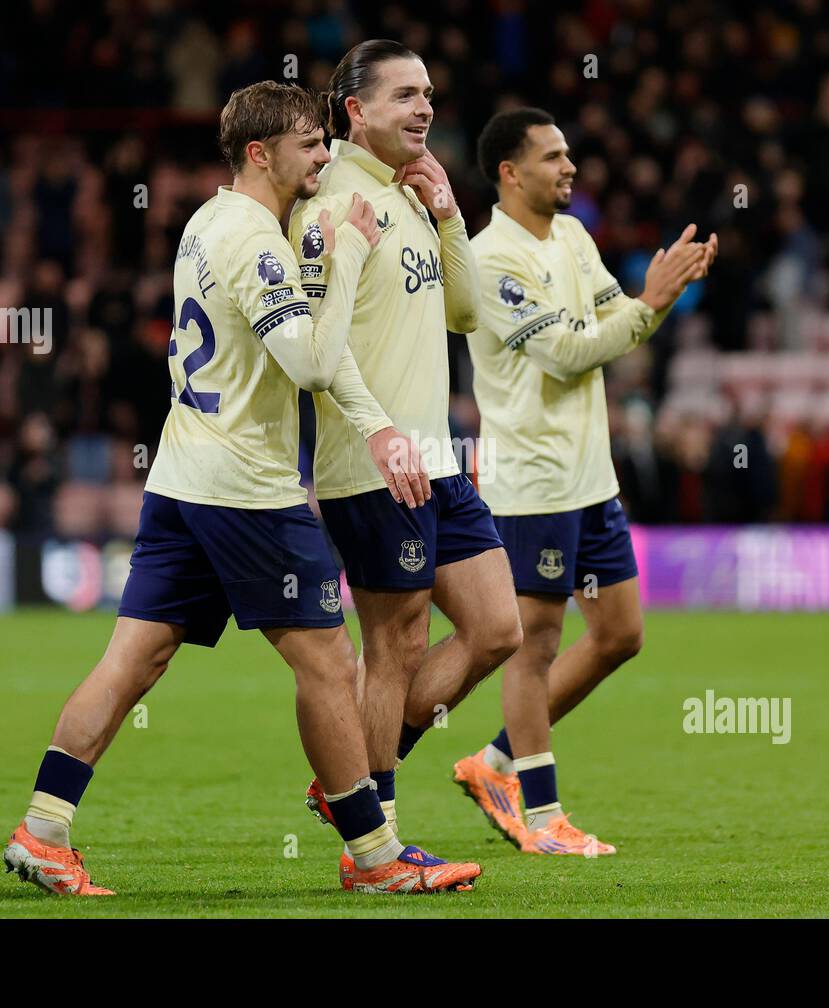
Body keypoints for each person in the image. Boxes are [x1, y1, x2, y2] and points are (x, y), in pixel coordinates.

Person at [3, 81, 480, 897]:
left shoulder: (206, 222)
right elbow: (313, 363)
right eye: (309, 144)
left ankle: (41, 832)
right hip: (244, 488)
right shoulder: (257, 243)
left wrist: (376, 426)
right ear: (261, 153)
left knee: (133, 658)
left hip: (182, 475)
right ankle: (374, 858)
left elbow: (311, 354)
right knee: (331, 665)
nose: (324, 157)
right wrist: (356, 250)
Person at [453, 107, 715, 853]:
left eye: (569, 155)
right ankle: (544, 820)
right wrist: (649, 305)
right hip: (532, 484)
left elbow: (614, 323)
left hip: (588, 478)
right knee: (534, 646)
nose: (571, 167)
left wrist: (653, 301)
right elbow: (569, 354)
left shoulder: (571, 236)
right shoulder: (490, 258)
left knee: (620, 634)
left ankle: (494, 762)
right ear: (510, 171)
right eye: (554, 156)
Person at [290, 41, 522, 865]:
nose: (424, 109)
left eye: (428, 94)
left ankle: (346, 779)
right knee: (397, 647)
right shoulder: (330, 204)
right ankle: (372, 843)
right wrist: (380, 433)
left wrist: (453, 213)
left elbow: (465, 313)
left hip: (439, 460)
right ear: (355, 110)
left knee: (500, 626)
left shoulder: (412, 195)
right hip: (372, 460)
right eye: (403, 96)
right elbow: (323, 346)